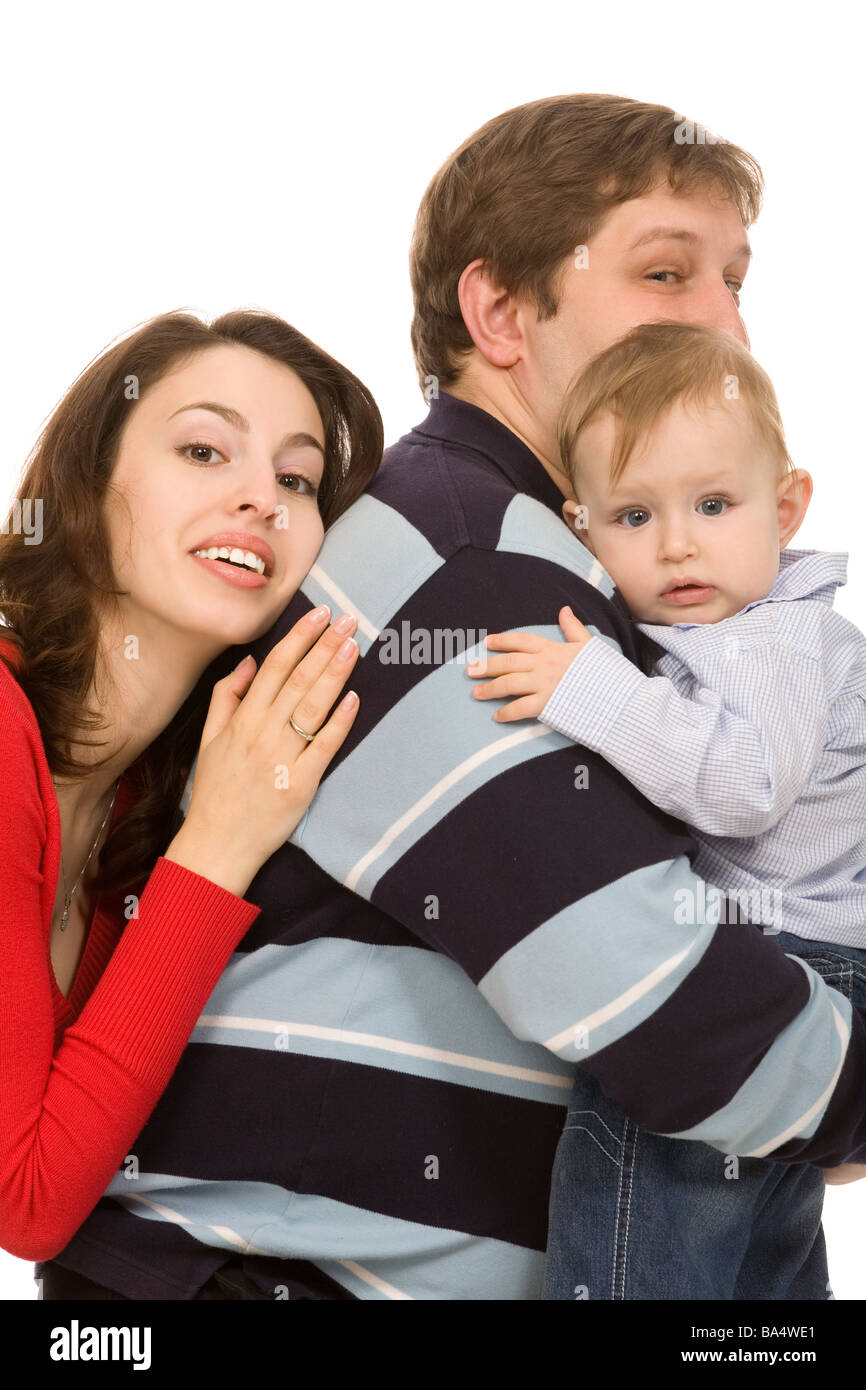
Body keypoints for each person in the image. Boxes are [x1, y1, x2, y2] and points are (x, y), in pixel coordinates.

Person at [45, 95, 866, 1303]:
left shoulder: (575, 562)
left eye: (734, 278)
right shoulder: (472, 559)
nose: (726, 324)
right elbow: (659, 1003)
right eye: (663, 271)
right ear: (496, 314)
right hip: (255, 1280)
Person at [467, 316, 866, 1297]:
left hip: (763, 978)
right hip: (809, 983)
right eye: (634, 517)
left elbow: (740, 787)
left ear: (785, 507)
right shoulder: (738, 628)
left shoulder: (767, 639)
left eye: (713, 504)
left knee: (626, 1254)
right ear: (583, 531)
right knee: (758, 1278)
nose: (678, 544)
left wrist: (589, 690)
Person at [0, 307, 383, 1296]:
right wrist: (217, 848)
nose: (260, 497)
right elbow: (28, 1200)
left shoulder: (134, 803)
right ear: (89, 485)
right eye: (205, 449)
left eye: (296, 480)